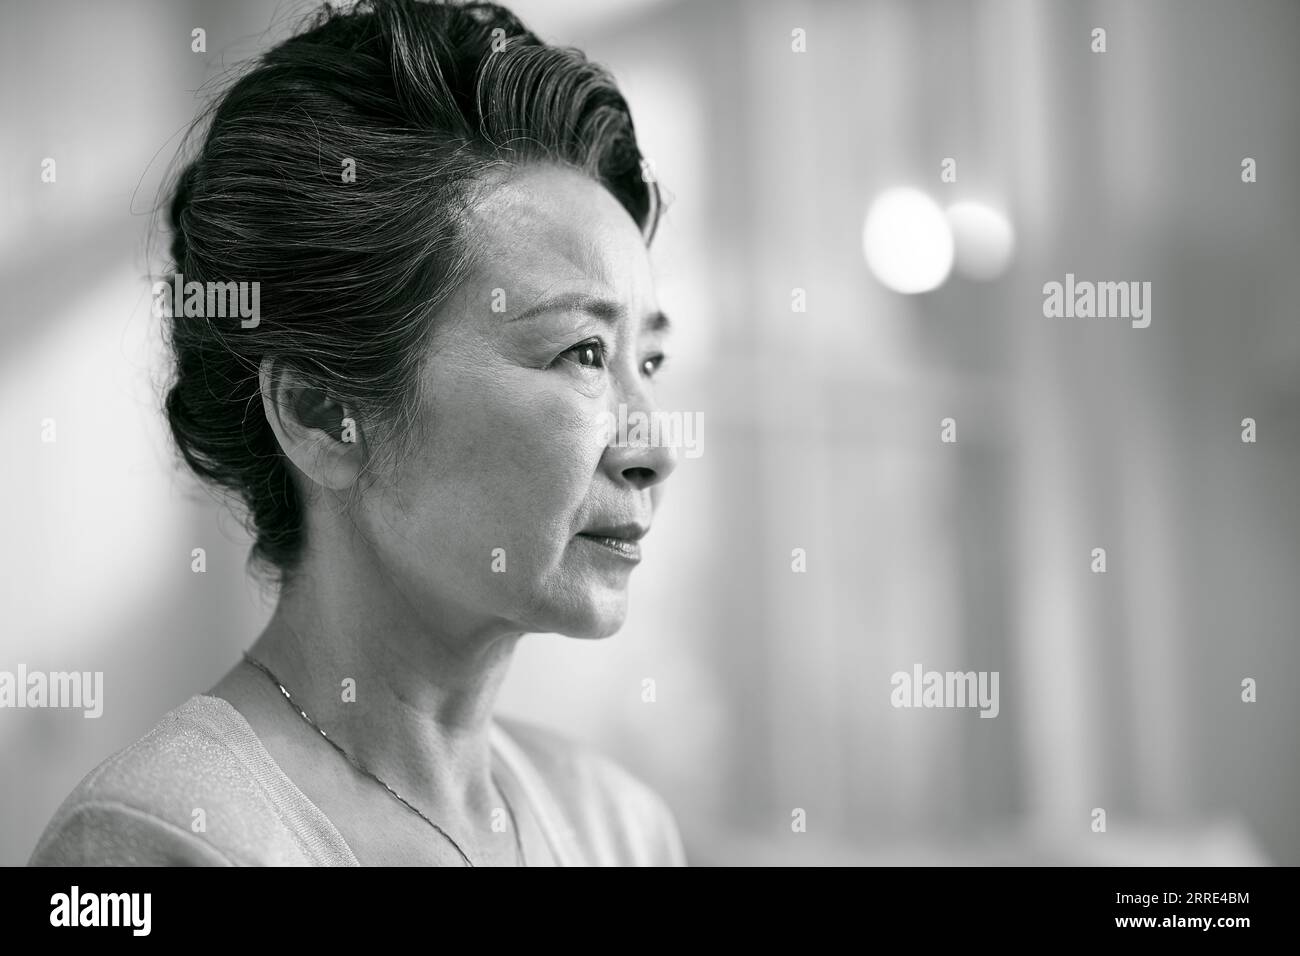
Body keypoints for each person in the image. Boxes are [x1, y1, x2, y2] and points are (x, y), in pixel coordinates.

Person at [29, 0, 685, 867]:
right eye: (584, 352)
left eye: (651, 359)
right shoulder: (163, 839)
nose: (656, 448)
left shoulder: (620, 829)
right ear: (319, 414)